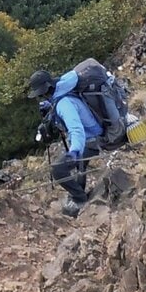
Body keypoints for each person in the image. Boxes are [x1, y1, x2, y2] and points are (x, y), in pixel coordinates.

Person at [28, 66, 114, 217]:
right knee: (79, 165)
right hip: (93, 135)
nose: (41, 97)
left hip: (91, 139)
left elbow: (76, 129)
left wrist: (74, 151)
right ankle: (79, 193)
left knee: (58, 169)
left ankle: (80, 200)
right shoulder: (62, 91)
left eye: (41, 94)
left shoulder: (63, 103)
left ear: (46, 90)